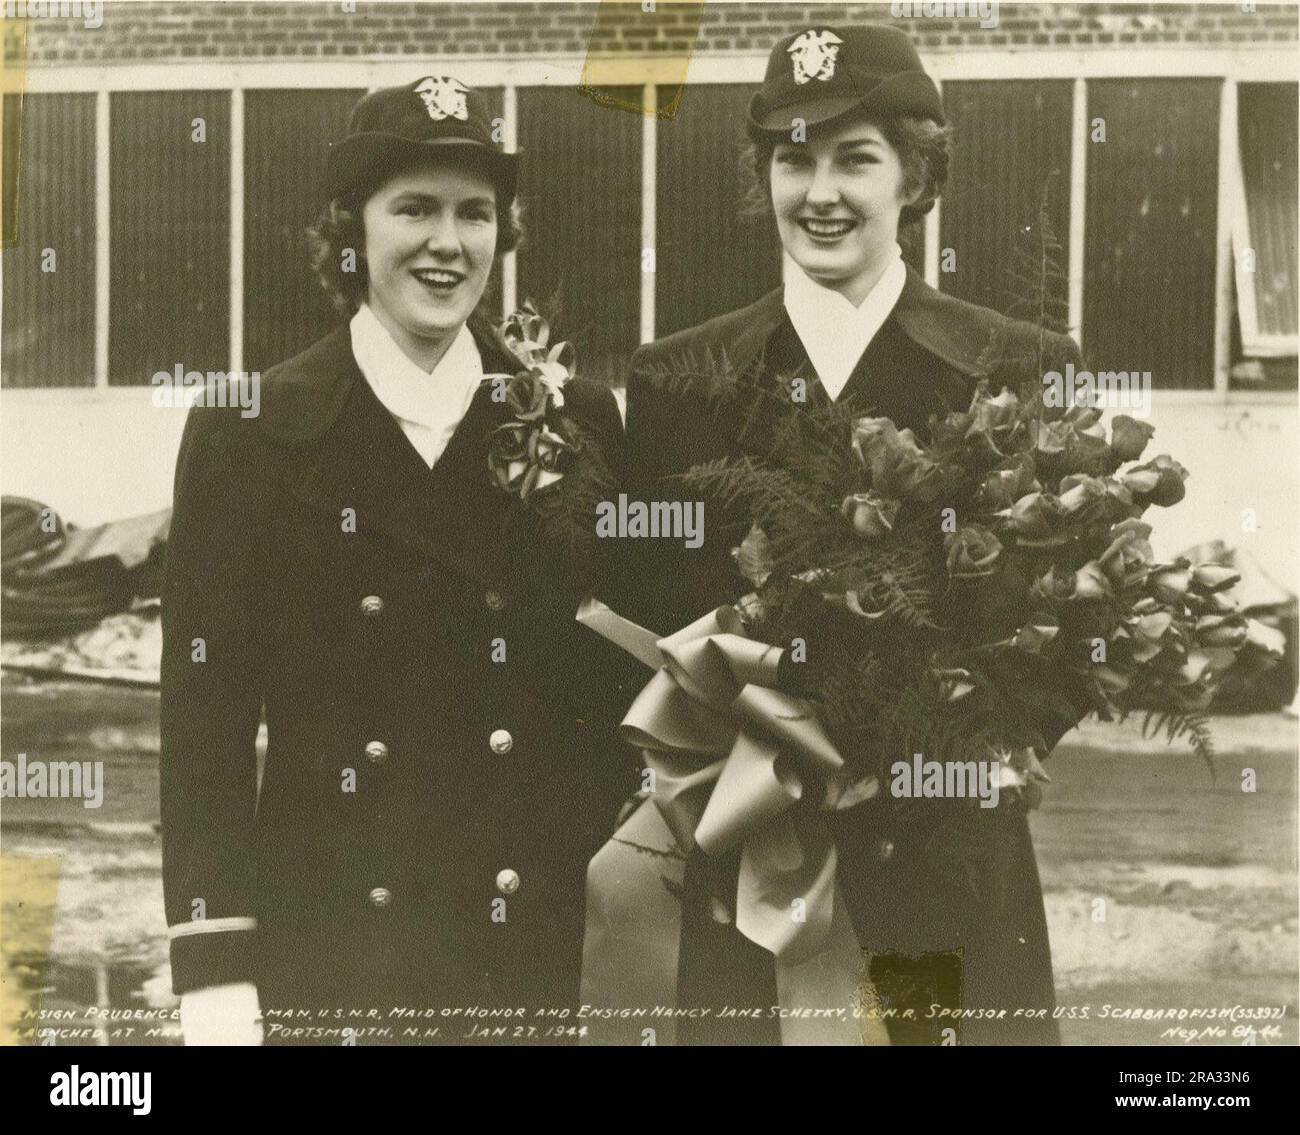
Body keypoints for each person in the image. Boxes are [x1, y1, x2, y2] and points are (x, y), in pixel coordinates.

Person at [621, 25, 1088, 1045]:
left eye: (855, 158)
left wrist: (959, 741)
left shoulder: (1011, 367)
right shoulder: (673, 383)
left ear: (915, 178)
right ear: (763, 177)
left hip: (952, 866)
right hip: (750, 864)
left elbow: (1071, 632)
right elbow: (649, 618)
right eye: (793, 159)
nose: (820, 192)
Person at [160, 76, 630, 1045]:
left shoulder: (572, 421)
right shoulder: (248, 430)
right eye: (412, 208)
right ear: (351, 230)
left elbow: (607, 704)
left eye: (474, 213)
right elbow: (204, 716)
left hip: (526, 946)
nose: (445, 244)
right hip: (331, 946)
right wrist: (213, 964)